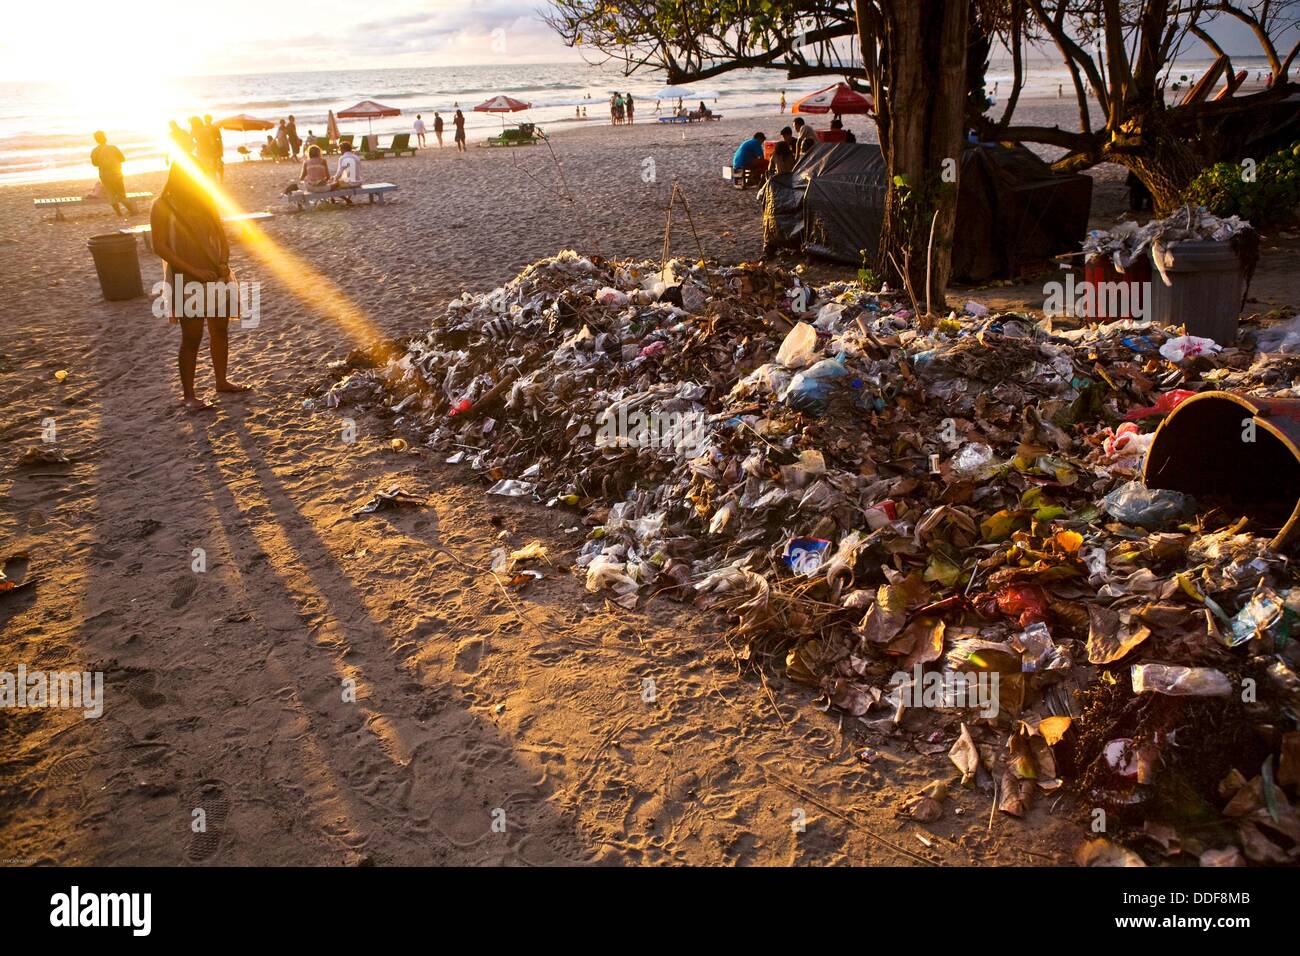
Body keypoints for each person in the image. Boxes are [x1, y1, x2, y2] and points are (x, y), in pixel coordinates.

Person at [150, 161, 249, 411]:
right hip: (185, 278)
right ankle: (189, 395)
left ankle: (221, 381)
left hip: (216, 273)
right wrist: (194, 271)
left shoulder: (206, 200)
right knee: (192, 337)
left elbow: (221, 235)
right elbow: (160, 246)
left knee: (220, 330)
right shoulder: (162, 205)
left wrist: (224, 262)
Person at [90, 131, 134, 216]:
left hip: (104, 174)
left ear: (96, 140)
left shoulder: (95, 151)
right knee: (121, 194)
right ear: (105, 138)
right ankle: (132, 211)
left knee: (111, 194)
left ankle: (119, 213)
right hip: (116, 173)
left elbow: (94, 164)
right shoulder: (113, 148)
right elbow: (122, 159)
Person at [202, 114, 224, 182]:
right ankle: (215, 178)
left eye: (207, 119)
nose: (206, 121)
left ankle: (221, 178)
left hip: (216, 148)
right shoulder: (204, 128)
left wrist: (221, 150)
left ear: (210, 120)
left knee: (219, 164)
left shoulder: (215, 128)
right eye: (205, 119)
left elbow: (219, 139)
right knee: (213, 164)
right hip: (209, 149)